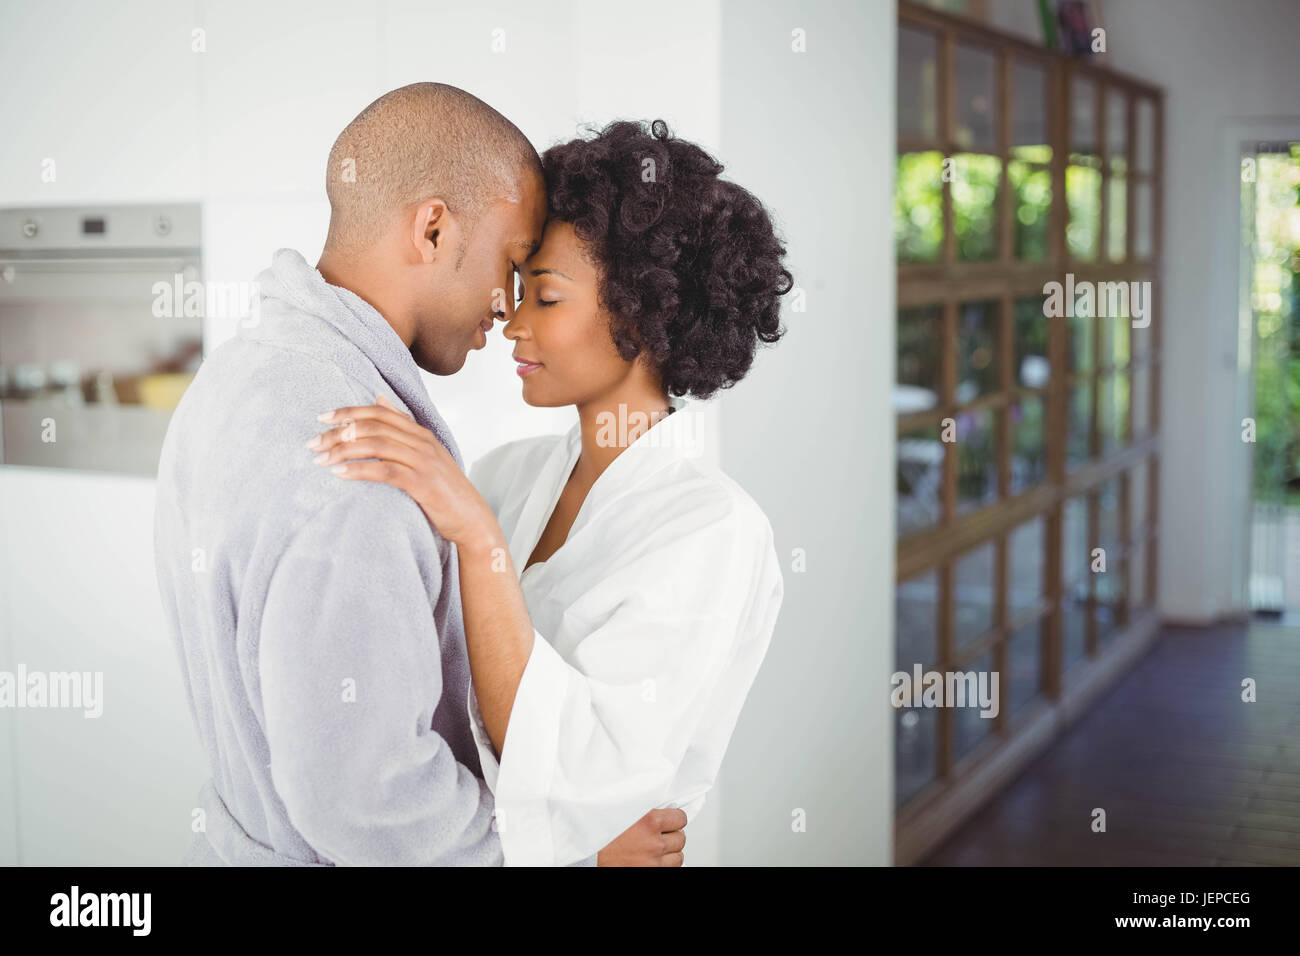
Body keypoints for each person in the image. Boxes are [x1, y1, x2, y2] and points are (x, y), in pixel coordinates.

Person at [154, 84, 684, 866]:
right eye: (512, 267)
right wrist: (560, 853)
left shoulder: (236, 378)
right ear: (433, 228)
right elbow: (368, 799)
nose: (507, 311)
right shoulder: (359, 467)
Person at [309, 119, 792, 865]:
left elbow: (583, 778)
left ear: (643, 317)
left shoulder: (713, 532)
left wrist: (478, 539)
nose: (512, 325)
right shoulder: (506, 474)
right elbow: (426, 699)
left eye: (547, 297)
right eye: (518, 291)